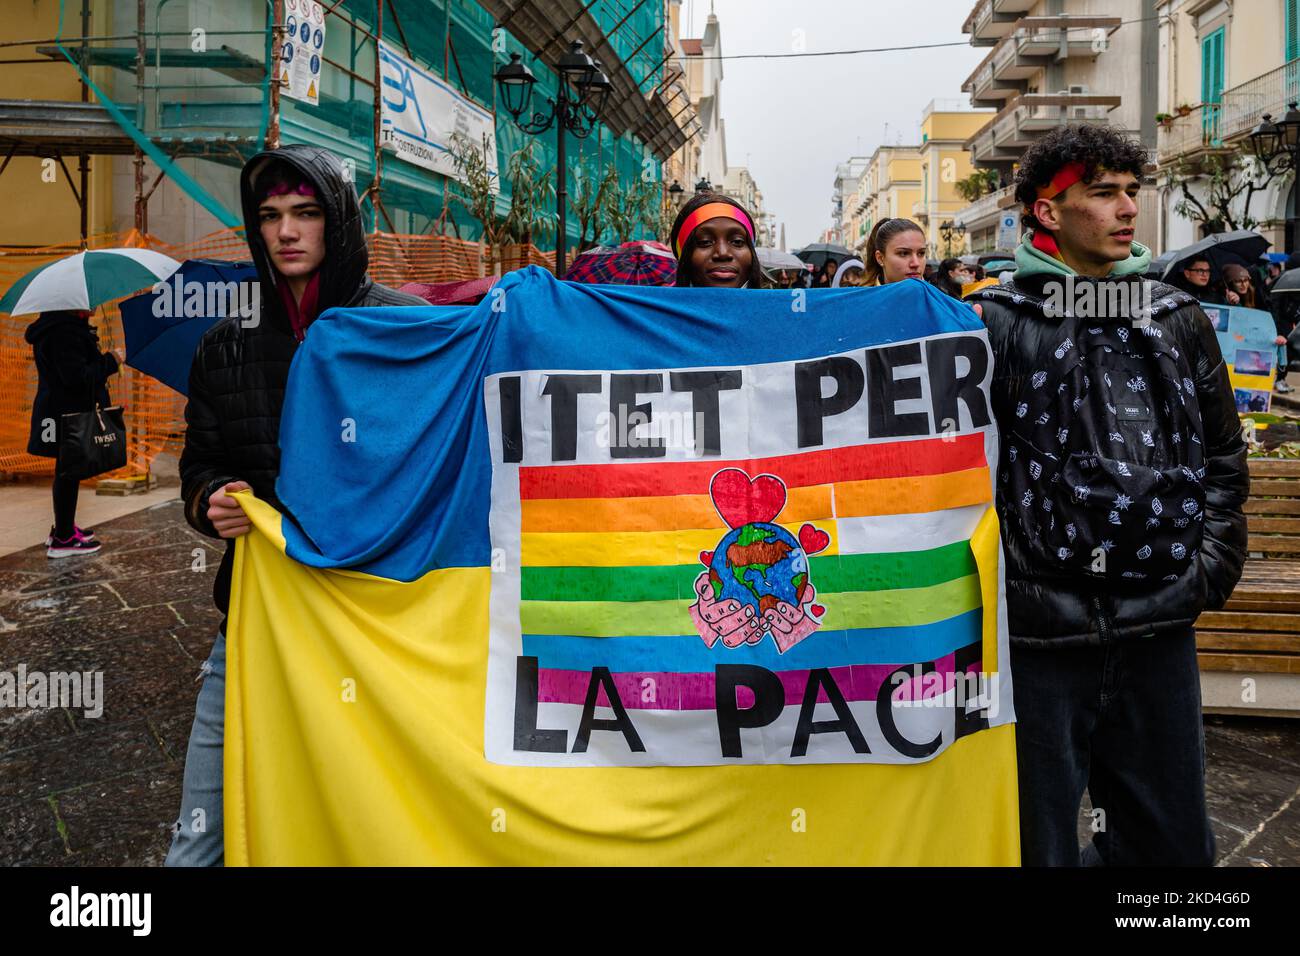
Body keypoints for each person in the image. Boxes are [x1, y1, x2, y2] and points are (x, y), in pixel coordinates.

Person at [966, 124, 1248, 866]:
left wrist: (1206, 570)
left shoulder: (1178, 318)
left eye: (1132, 191)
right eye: (1102, 193)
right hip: (1039, 638)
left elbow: (1222, 452)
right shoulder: (992, 323)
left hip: (1159, 625)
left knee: (1172, 845)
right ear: (1046, 212)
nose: (1127, 209)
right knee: (1040, 841)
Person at [166, 145, 425, 866]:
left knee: (375, 821)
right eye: (271, 216)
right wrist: (207, 499)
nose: (286, 232)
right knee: (199, 834)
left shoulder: (407, 330)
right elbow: (202, 459)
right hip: (256, 621)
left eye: (306, 214)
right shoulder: (225, 346)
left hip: (378, 626)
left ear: (336, 222)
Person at [24, 309, 120, 557]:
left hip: (60, 410)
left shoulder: (58, 327)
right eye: (89, 302)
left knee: (68, 470)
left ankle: (63, 529)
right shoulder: (64, 332)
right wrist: (112, 360)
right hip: (66, 413)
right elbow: (77, 377)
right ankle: (63, 540)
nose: (95, 306)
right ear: (72, 304)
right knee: (68, 471)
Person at [670, 192, 765, 288]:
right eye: (705, 242)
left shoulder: (777, 303)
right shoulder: (655, 302)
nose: (723, 253)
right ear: (683, 255)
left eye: (737, 242)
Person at [863, 218, 927, 285]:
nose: (916, 264)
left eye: (921, 253)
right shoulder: (861, 295)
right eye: (904, 253)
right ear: (880, 258)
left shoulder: (936, 295)